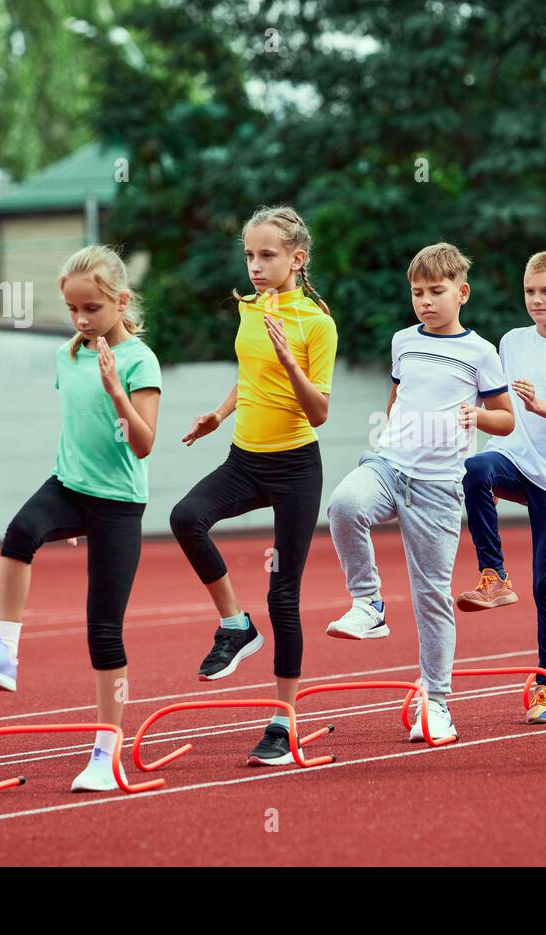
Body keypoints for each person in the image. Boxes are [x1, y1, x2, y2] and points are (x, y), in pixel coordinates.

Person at [0, 245, 162, 791]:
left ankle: (106, 753)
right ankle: (4, 655)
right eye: (72, 309)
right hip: (69, 485)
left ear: (120, 301)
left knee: (103, 630)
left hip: (118, 501)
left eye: (91, 308)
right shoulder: (67, 356)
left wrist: (118, 391)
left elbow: (143, 445)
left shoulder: (140, 360)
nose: (80, 319)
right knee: (20, 532)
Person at [325, 242, 514, 743]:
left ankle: (437, 702)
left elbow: (507, 418)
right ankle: (369, 605)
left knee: (431, 597)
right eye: (417, 292)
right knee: (344, 504)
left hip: (439, 486)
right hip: (390, 464)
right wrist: (391, 433)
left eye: (436, 291)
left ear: (462, 292)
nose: (425, 301)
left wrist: (480, 417)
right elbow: (397, 394)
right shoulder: (402, 341)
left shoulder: (481, 352)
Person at [169, 205, 337, 766]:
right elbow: (248, 375)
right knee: (185, 518)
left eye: (267, 255)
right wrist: (218, 414)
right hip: (245, 458)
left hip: (295, 467)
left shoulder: (316, 323)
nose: (257, 265)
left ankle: (281, 724)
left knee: (283, 595)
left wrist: (292, 362)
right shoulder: (249, 307)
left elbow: (319, 413)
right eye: (249, 254)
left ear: (297, 258)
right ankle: (235, 627)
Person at [457, 250, 546, 723]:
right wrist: (471, 412)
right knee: (476, 469)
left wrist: (538, 407)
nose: (537, 300)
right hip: (515, 461)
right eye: (530, 291)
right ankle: (493, 574)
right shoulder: (512, 341)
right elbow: (494, 401)